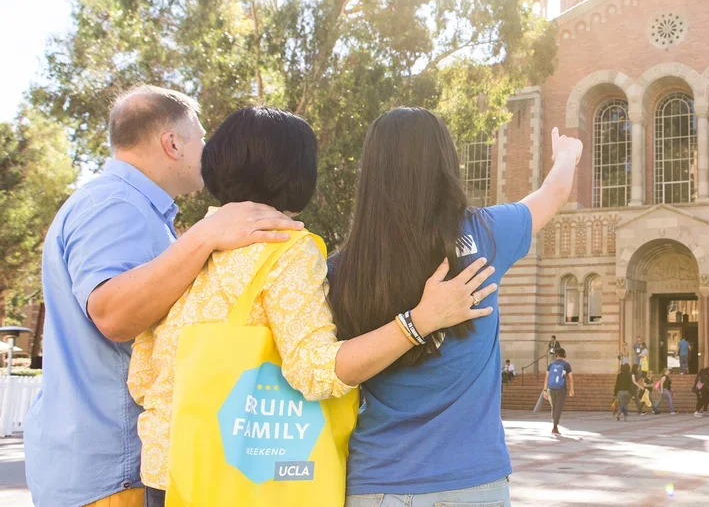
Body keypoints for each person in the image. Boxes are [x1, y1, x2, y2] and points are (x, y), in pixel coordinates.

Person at [127, 107, 501, 507]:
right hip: (238, 479)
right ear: (296, 173)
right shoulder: (288, 250)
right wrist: (417, 322)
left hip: (168, 473)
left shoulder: (185, 252)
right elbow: (315, 372)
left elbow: (142, 375)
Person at [26, 87, 305, 507]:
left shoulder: (125, 205)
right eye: (201, 137)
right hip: (114, 469)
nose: (207, 149)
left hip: (103, 463)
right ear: (173, 143)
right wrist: (205, 236)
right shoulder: (116, 204)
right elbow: (113, 314)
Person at [327, 109, 582, 506]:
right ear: (445, 163)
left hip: (377, 482)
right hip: (471, 483)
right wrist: (567, 154)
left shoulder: (342, 269)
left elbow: (334, 368)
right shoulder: (486, 233)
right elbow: (554, 193)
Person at [545, 348, 575, 435]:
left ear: (556, 355)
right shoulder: (566, 364)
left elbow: (546, 377)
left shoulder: (550, 364)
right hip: (561, 389)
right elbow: (570, 378)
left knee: (553, 407)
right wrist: (571, 389)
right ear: (564, 355)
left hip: (551, 389)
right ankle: (555, 426)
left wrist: (545, 390)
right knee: (558, 407)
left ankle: (554, 424)